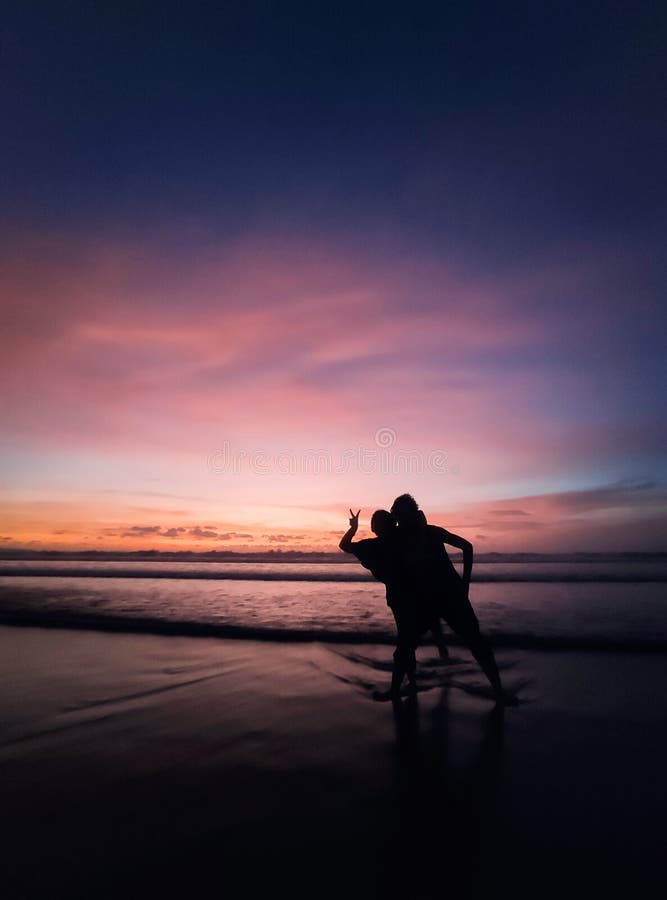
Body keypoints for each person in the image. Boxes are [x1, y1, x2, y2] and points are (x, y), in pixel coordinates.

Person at [390, 494, 509, 703]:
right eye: (397, 517)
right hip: (429, 599)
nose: (399, 521)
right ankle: (397, 689)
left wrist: (465, 584)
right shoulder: (408, 536)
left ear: (409, 514)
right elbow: (467, 548)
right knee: (406, 647)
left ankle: (499, 691)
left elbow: (467, 547)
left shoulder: (429, 532)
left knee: (475, 642)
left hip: (449, 596)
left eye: (400, 516)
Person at [339, 508, 432, 699]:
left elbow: (345, 545)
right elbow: (422, 528)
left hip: (401, 598)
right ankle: (412, 681)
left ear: (374, 528)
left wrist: (354, 528)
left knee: (404, 645)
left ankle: (396, 691)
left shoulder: (372, 546)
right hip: (418, 594)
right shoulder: (404, 539)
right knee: (407, 640)